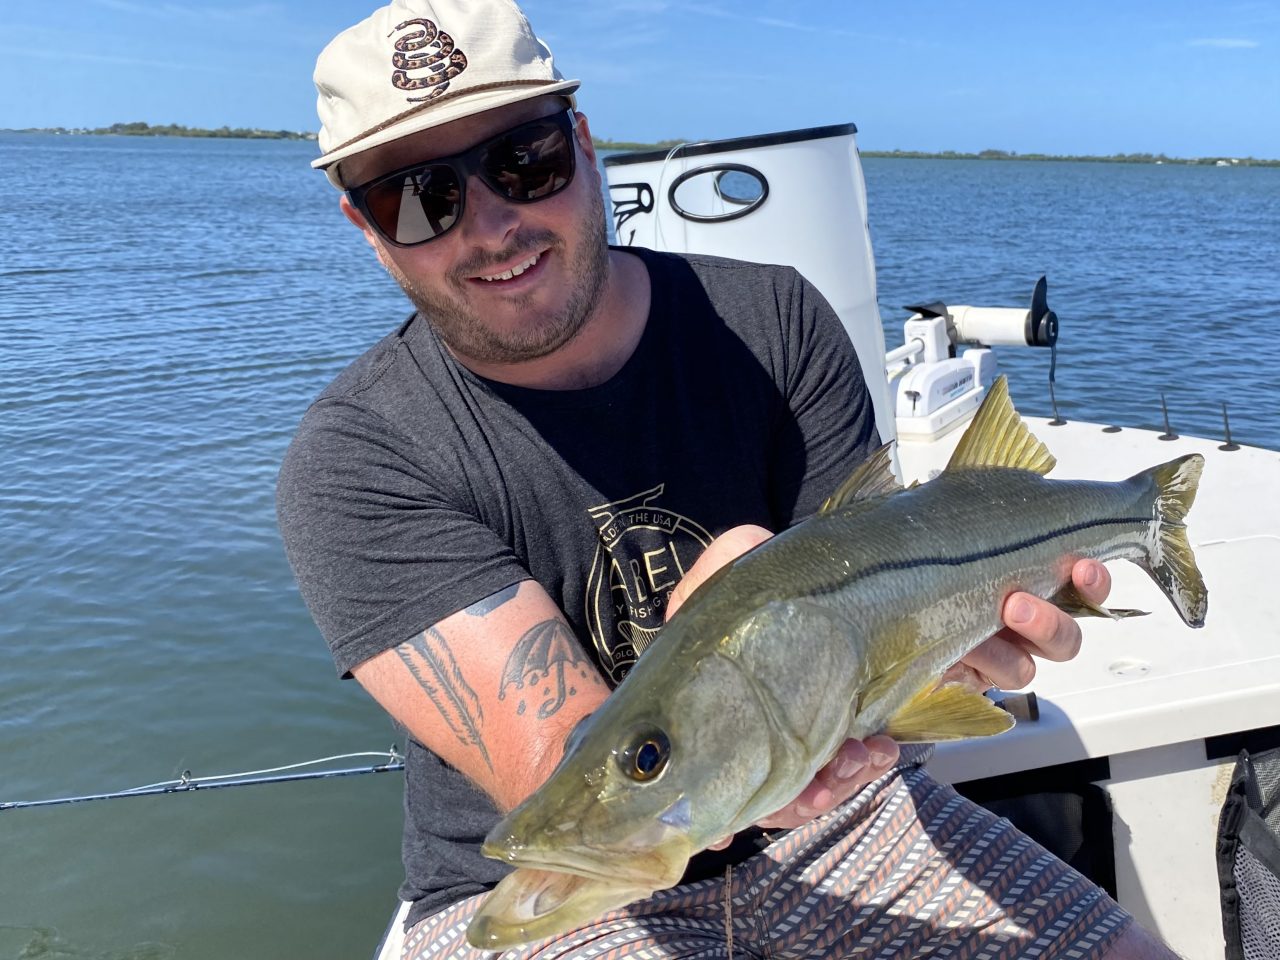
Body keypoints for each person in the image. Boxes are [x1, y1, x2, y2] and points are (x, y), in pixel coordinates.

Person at [276, 1, 1178, 957]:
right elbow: (573, 786)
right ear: (365, 226)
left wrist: (949, 643)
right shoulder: (356, 461)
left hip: (850, 817)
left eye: (522, 161)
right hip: (546, 883)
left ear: (583, 145)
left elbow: (879, 625)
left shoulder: (775, 320)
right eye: (417, 200)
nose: (492, 226)